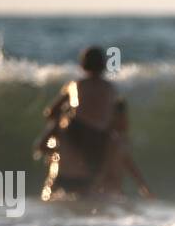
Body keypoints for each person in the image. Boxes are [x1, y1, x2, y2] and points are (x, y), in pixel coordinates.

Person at [40, 46, 118, 197]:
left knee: (57, 129)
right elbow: (112, 119)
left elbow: (50, 112)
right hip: (100, 139)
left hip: (76, 133)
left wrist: (61, 119)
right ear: (103, 65)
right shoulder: (110, 89)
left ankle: (49, 188)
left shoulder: (76, 85)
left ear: (83, 64)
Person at [97, 101, 152, 198]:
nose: (126, 121)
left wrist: (142, 186)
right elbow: (103, 167)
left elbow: (128, 163)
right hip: (106, 191)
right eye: (122, 117)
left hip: (112, 191)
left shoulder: (118, 140)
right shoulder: (112, 140)